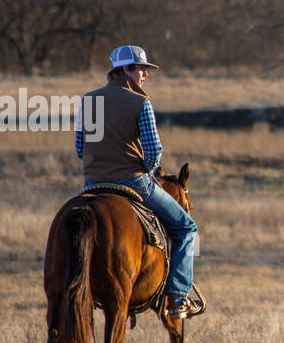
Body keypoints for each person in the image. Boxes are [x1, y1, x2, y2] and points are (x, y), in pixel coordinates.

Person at [76, 45, 197, 320]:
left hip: (91, 183)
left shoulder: (89, 100)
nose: (145, 75)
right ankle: (178, 297)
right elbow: (155, 152)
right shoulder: (141, 103)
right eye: (140, 69)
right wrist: (146, 169)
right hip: (133, 182)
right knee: (186, 227)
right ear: (125, 70)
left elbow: (81, 148)